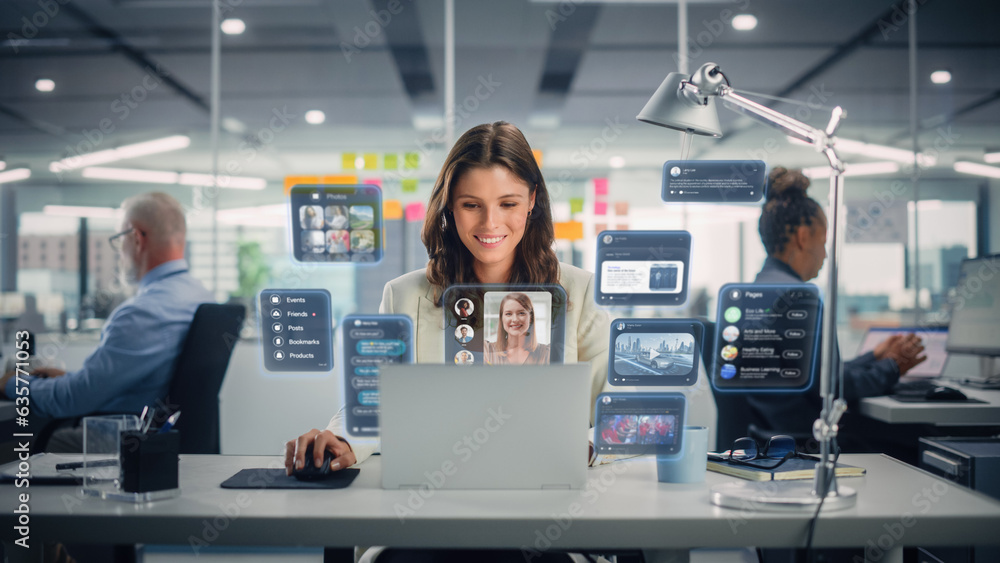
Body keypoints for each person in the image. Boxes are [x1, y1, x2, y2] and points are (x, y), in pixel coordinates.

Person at [286, 121, 611, 475]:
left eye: (507, 203)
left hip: (545, 482)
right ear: (450, 207)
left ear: (531, 201)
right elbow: (375, 401)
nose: (490, 223)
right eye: (472, 205)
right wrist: (343, 439)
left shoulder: (580, 293)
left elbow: (617, 409)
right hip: (435, 485)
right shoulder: (403, 296)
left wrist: (586, 446)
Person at [0, 192, 214, 452]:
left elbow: (73, 399)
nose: (119, 251)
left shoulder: (142, 313)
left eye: (118, 240)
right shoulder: (200, 296)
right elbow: (140, 381)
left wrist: (13, 384)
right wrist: (73, 378)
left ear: (135, 239)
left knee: (26, 446)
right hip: (166, 439)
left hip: (130, 442)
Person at [748, 167, 926, 457]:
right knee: (923, 437)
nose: (826, 253)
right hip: (811, 440)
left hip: (774, 435)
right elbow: (829, 388)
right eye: (823, 240)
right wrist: (893, 367)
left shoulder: (758, 290)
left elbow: (816, 374)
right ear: (803, 237)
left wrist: (875, 356)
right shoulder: (799, 297)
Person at [483, 292, 550, 365]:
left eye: (521, 313)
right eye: (508, 314)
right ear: (502, 319)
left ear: (530, 318)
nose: (515, 319)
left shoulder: (546, 353)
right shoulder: (487, 350)